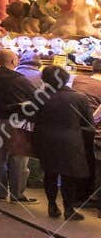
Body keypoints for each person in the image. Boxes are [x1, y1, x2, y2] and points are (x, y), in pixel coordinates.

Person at [32, 65, 94, 221]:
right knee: (69, 175)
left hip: (45, 139)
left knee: (50, 173)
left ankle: (52, 205)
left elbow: (32, 117)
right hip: (70, 140)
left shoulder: (40, 97)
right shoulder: (79, 97)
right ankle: (69, 208)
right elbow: (89, 123)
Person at [0, 49, 38, 203]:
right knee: (18, 158)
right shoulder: (19, 79)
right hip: (17, 122)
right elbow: (36, 97)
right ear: (13, 61)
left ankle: (0, 193)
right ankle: (17, 194)